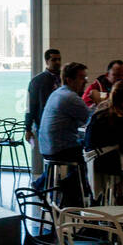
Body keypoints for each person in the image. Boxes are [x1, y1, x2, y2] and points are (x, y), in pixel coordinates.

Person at [36, 61, 90, 203]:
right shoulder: (71, 97)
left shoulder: (58, 93)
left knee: (81, 155)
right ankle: (71, 199)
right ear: (69, 80)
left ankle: (42, 185)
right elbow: (90, 119)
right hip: (59, 148)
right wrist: (99, 102)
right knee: (89, 159)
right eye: (82, 78)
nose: (85, 81)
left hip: (47, 146)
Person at [24, 48, 63, 182]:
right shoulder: (38, 81)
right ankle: (44, 183)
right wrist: (28, 128)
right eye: (54, 60)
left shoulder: (63, 79)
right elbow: (31, 105)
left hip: (62, 124)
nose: (57, 62)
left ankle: (51, 182)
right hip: (44, 124)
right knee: (50, 157)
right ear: (47, 61)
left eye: (59, 59)